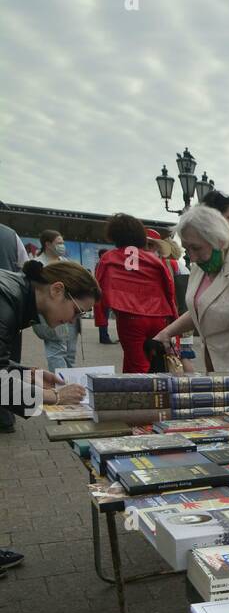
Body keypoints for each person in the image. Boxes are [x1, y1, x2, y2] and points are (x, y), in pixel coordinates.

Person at [0, 260, 96, 567]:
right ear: (57, 290)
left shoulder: (14, 295)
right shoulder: (5, 301)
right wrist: (54, 396)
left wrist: (27, 372)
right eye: (78, 312)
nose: (72, 321)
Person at [155, 205, 229, 374]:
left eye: (196, 248)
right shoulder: (201, 264)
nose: (192, 257)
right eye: (187, 249)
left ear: (219, 240)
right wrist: (167, 333)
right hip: (215, 368)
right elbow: (202, 307)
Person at [95, 214, 177, 373]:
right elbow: (169, 289)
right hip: (159, 316)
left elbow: (98, 289)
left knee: (136, 364)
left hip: (129, 317)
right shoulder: (154, 260)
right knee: (159, 362)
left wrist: (101, 319)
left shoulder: (109, 258)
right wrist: (173, 319)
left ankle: (138, 396)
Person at [32, 230, 80, 372]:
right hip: (50, 315)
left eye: (63, 243)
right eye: (59, 243)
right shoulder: (36, 264)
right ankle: (60, 385)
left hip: (69, 314)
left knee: (70, 354)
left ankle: (72, 382)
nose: (62, 246)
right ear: (48, 244)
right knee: (56, 351)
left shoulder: (65, 263)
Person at [92, 247, 115, 343]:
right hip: (103, 295)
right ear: (102, 255)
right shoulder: (101, 264)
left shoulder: (104, 265)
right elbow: (98, 279)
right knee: (103, 317)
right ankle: (104, 338)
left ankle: (104, 337)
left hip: (106, 294)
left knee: (104, 317)